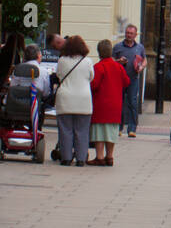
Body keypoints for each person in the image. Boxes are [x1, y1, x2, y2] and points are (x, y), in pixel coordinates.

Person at [53, 35, 95, 166]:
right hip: (83, 99)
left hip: (65, 98)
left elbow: (59, 76)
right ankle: (81, 158)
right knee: (82, 131)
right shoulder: (87, 61)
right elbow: (91, 77)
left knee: (65, 130)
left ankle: (66, 157)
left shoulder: (62, 60)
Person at [88, 39, 126, 166]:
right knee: (111, 132)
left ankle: (99, 157)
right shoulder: (118, 66)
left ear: (99, 52)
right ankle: (109, 156)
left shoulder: (98, 67)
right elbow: (126, 82)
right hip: (115, 104)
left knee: (99, 131)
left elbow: (93, 85)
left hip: (101, 104)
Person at [114, 23, 146, 138]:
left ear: (135, 35)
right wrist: (118, 61)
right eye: (127, 33)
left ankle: (132, 129)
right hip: (120, 79)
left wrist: (141, 67)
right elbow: (112, 61)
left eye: (131, 33)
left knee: (133, 103)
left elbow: (144, 60)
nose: (128, 35)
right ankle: (118, 127)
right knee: (120, 103)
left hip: (133, 79)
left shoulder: (140, 47)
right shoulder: (117, 47)